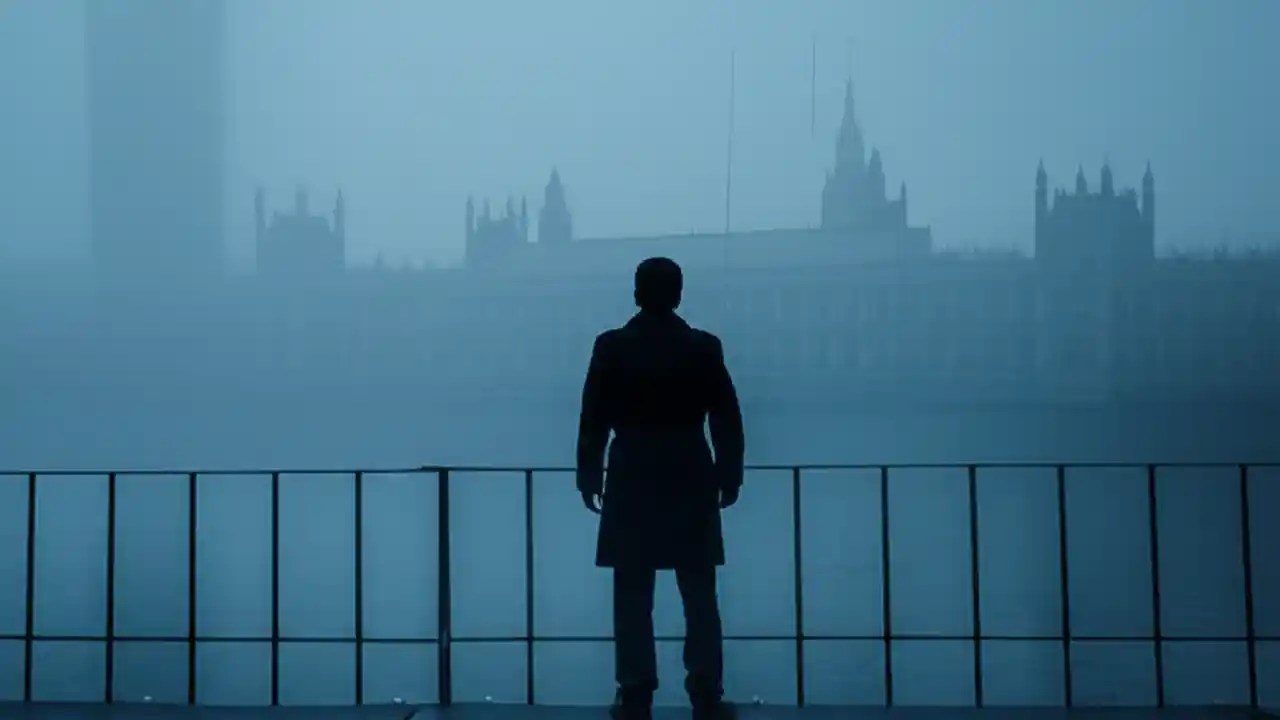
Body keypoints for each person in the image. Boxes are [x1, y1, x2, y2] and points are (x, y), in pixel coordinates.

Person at [576, 257, 745, 720]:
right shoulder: (703, 348)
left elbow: (594, 418)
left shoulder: (611, 348)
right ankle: (705, 685)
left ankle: (635, 686)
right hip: (690, 470)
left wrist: (589, 474)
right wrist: (729, 474)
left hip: (632, 472)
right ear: (678, 295)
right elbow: (726, 419)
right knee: (698, 586)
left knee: (632, 588)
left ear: (636, 294)